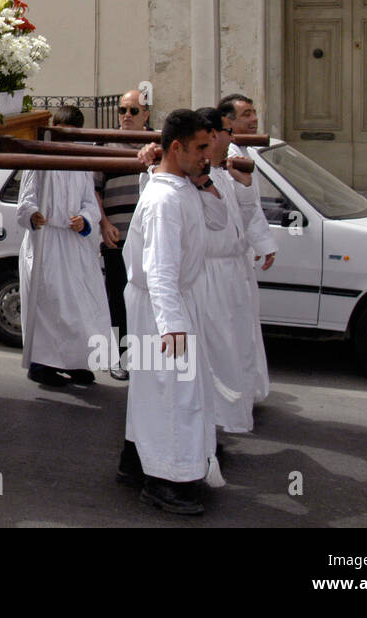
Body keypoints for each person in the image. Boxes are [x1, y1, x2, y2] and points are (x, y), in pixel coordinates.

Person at [116, 108, 219, 515]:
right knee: (172, 393)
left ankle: (137, 462)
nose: (206, 156)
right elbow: (159, 267)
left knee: (160, 389)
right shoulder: (164, 199)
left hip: (174, 301)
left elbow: (219, 217)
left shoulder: (180, 186)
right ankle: (167, 480)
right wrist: (172, 323)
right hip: (163, 307)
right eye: (200, 148)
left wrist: (204, 178)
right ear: (176, 147)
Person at [17, 105, 109, 387]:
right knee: (50, 305)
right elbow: (26, 201)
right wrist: (32, 214)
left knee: (80, 307)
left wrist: (85, 219)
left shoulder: (80, 164)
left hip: (74, 244)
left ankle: (77, 362)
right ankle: (43, 364)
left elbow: (89, 203)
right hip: (46, 241)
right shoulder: (39, 162)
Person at [192, 106, 258, 434]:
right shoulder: (194, 177)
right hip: (209, 276)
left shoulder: (223, 174)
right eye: (228, 132)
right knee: (216, 352)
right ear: (213, 135)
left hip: (232, 273)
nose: (233, 139)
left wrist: (244, 187)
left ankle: (233, 413)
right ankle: (214, 422)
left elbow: (239, 225)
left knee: (236, 347)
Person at [93, 87, 153, 381]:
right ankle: (115, 356)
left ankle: (142, 358)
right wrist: (104, 224)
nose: (126, 116)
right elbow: (94, 189)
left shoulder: (158, 146)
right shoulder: (107, 145)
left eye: (133, 111)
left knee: (146, 300)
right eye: (122, 110)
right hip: (118, 236)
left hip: (149, 240)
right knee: (116, 298)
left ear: (146, 115)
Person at [220, 93, 276, 402]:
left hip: (238, 257)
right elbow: (235, 211)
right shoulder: (226, 155)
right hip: (224, 262)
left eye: (254, 113)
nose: (254, 119)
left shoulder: (242, 152)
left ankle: (246, 388)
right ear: (229, 122)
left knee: (245, 326)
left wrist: (263, 243)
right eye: (247, 114)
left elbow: (250, 206)